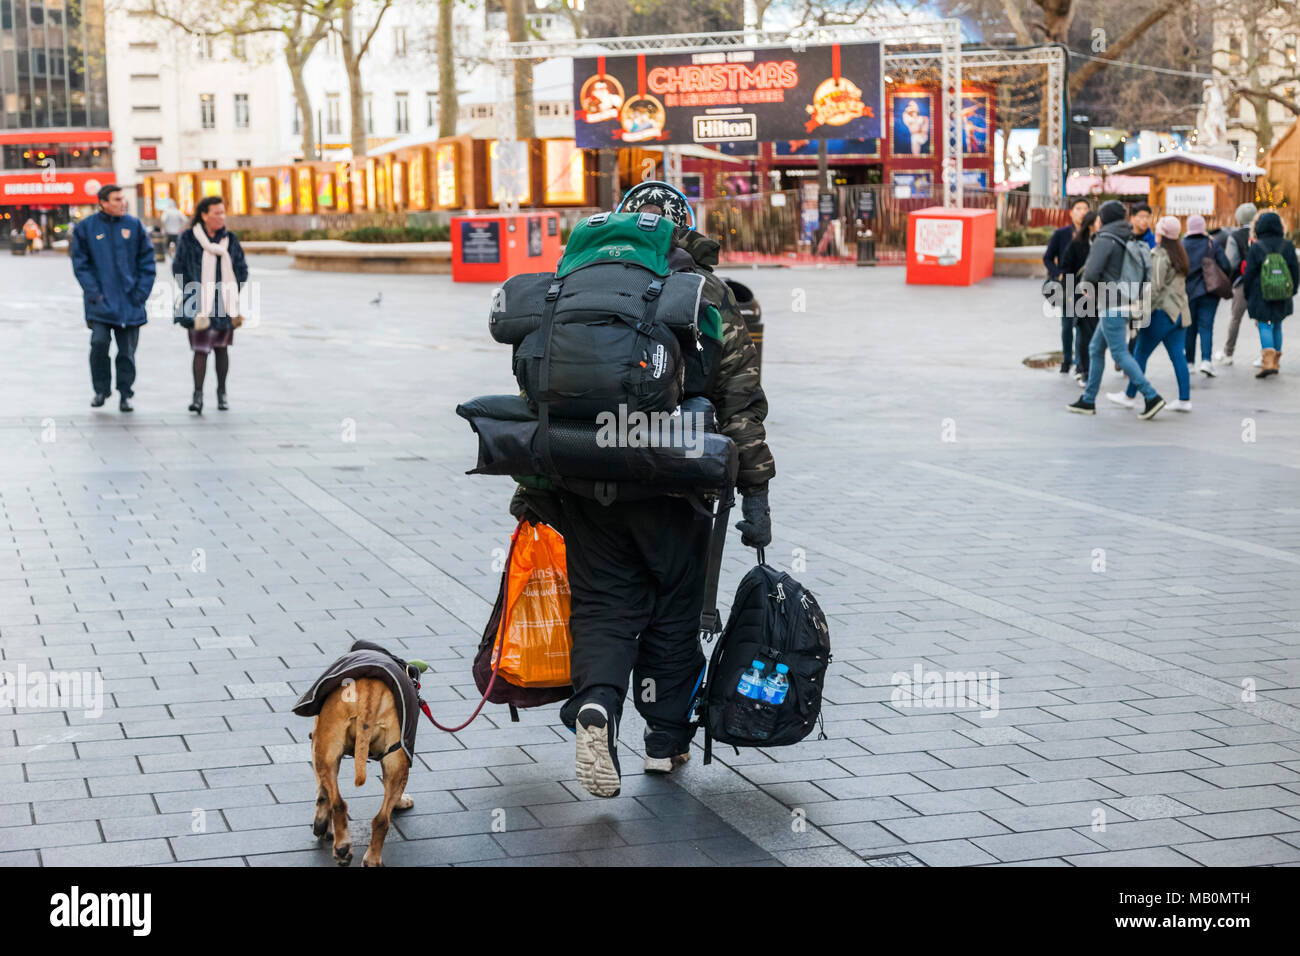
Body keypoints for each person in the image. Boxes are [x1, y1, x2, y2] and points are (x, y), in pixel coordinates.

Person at [511, 181, 774, 797]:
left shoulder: (574, 279)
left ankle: (597, 706)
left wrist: (536, 490)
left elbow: (538, 390)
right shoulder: (703, 288)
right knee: (674, 610)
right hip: (670, 480)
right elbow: (740, 401)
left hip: (583, 479)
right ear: (682, 226)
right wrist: (756, 494)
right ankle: (664, 741)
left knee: (604, 605)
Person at [1068, 199, 1165, 419]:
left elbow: (1092, 271)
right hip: (1123, 301)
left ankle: (1151, 396)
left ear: (1103, 217)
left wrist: (1084, 289)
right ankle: (1088, 400)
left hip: (1112, 304)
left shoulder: (1105, 238)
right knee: (1095, 348)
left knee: (1120, 354)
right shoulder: (1127, 235)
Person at [70, 184, 156, 412]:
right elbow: (80, 264)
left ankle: (125, 393)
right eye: (117, 199)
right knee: (98, 344)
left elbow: (148, 262)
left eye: (122, 199)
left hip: (130, 302)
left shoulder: (134, 226)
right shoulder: (87, 228)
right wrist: (94, 293)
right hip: (100, 302)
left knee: (127, 352)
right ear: (103, 203)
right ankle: (101, 389)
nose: (122, 203)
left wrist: (140, 294)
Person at [1107, 216, 1193, 412]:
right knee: (1177, 356)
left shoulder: (1160, 256)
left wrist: (1140, 312)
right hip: (1179, 312)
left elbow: (1153, 289)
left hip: (1162, 313)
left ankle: (1129, 396)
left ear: (1162, 234)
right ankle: (1184, 399)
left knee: (1140, 354)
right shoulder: (1180, 254)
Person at [173, 195, 247, 412]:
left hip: (224, 305)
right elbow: (178, 268)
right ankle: (198, 396)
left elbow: (241, 268)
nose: (221, 217)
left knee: (222, 350)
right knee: (200, 350)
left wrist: (232, 290)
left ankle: (222, 393)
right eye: (216, 213)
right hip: (199, 305)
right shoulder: (189, 238)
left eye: (223, 212)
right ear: (204, 215)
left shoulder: (229, 240)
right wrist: (191, 294)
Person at [1242, 209, 1298, 378]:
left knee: (1265, 325)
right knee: (1277, 324)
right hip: (1282, 292)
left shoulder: (1256, 246)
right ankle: (1276, 362)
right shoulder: (1287, 246)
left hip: (1262, 293)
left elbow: (1249, 272)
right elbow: (1295, 270)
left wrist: (1248, 292)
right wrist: (1292, 289)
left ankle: (1267, 364)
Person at [1044, 198, 1091, 375]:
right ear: (1071, 212)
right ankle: (1067, 360)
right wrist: (1058, 274)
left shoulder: (1092, 235)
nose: (1082, 212)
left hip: (1086, 287)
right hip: (1067, 285)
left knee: (1082, 325)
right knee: (1067, 325)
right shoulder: (1061, 234)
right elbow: (1047, 258)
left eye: (1085, 208)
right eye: (1078, 208)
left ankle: (1080, 362)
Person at [1181, 214, 1232, 377]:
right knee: (1206, 327)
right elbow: (1226, 265)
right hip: (1209, 292)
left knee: (1189, 328)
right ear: (1203, 227)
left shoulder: (1182, 245)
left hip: (1188, 293)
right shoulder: (1212, 244)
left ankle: (1189, 363)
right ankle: (1206, 361)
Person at [1060, 209, 1099, 384]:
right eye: (1099, 222)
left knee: (1095, 334)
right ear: (1091, 225)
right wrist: (1070, 292)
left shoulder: (1103, 243)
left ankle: (1087, 368)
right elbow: (1066, 268)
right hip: (1081, 294)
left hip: (1101, 295)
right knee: (1084, 334)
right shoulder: (1077, 244)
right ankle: (1083, 369)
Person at [1217, 202, 1257, 366]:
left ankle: (1228, 353)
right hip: (1259, 282)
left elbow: (1231, 262)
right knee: (1261, 321)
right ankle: (1267, 355)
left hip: (1241, 282)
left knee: (1235, 318)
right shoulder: (1259, 233)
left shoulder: (1234, 236)